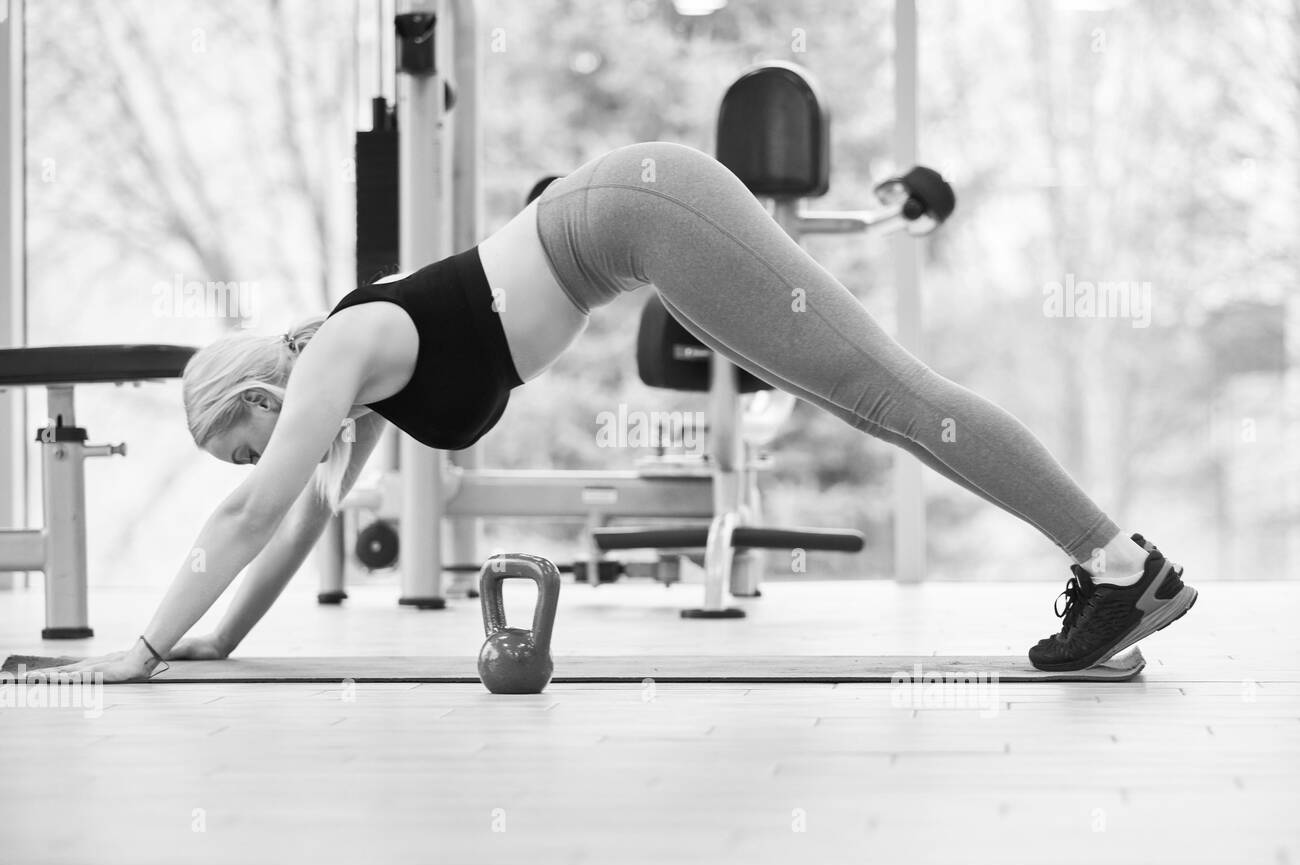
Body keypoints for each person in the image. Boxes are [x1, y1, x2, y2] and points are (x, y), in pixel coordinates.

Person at [33, 142, 1196, 682]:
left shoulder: (344, 344)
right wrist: (209, 644)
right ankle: (1111, 566)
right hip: (633, 221)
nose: (266, 451)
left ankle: (1117, 562)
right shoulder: (361, 369)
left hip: (640, 207)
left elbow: (259, 504)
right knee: (876, 397)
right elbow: (302, 520)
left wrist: (131, 649)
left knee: (886, 394)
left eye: (248, 434)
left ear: (256, 394)